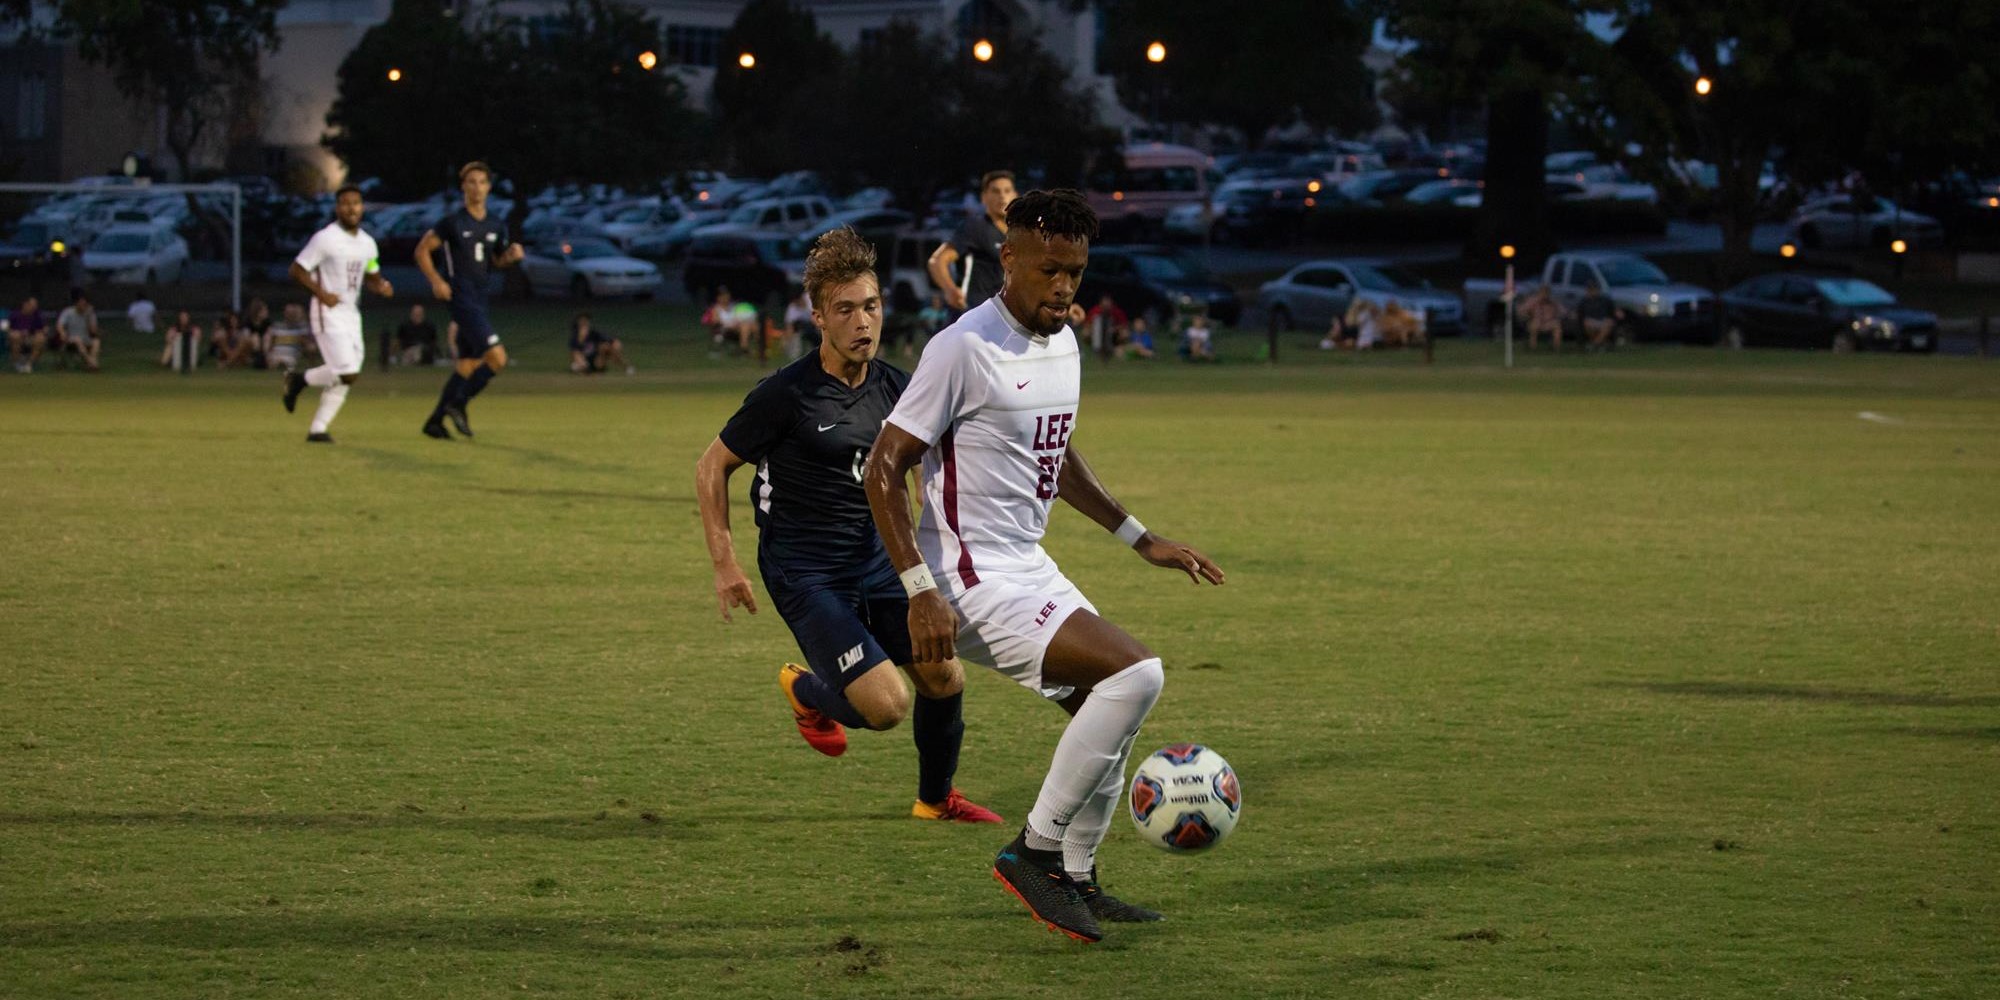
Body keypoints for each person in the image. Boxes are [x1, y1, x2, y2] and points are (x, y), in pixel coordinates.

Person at [863, 189, 1226, 943]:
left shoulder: (1063, 340)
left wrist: (1139, 536)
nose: (1063, 287)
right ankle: (1033, 851)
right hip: (964, 579)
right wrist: (918, 590)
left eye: (1077, 272)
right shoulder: (963, 346)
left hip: (1025, 564)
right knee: (1136, 674)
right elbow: (883, 467)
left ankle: (1078, 876)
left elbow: (1053, 456)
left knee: (1108, 716)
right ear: (1009, 259)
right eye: (1050, 269)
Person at [694, 226, 1003, 827]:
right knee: (887, 706)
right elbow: (712, 468)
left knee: (943, 671)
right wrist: (724, 563)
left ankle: (935, 802)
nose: (863, 322)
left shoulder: (897, 386)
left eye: (871, 306)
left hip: (878, 561)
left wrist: (929, 552)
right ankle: (808, 691)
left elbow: (919, 469)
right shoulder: (786, 395)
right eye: (845, 310)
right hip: (806, 572)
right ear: (818, 318)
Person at [415, 161, 523, 440]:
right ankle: (458, 404)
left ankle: (435, 422)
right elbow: (422, 251)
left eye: (482, 182)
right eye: (471, 182)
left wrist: (509, 258)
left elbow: (496, 260)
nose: (477, 188)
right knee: (497, 358)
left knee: (466, 365)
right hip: (461, 297)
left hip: (480, 298)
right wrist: (437, 281)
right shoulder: (452, 222)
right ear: (463, 186)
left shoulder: (496, 224)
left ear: (489, 187)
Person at [281, 184, 393, 444]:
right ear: (337, 207)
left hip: (352, 314)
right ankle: (299, 380)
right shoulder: (325, 238)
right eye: (345, 203)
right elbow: (297, 270)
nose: (351, 208)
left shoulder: (368, 243)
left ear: (362, 207)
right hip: (327, 312)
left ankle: (318, 428)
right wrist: (321, 294)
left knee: (346, 375)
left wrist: (382, 286)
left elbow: (372, 274)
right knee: (347, 371)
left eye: (356, 203)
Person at [927, 169, 1016, 312]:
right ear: (984, 197)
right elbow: (937, 261)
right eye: (995, 191)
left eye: (1007, 191)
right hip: (974, 313)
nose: (1002, 196)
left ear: (1015, 195)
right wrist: (950, 290)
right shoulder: (975, 227)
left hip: (1006, 317)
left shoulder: (1020, 234)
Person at [568, 312, 633, 374]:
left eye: (586, 321)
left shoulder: (594, 333)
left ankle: (627, 367)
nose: (585, 323)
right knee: (576, 354)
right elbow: (576, 353)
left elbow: (613, 341)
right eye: (582, 321)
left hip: (598, 361)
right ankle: (582, 367)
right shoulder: (574, 338)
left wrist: (615, 344)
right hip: (584, 361)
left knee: (605, 346)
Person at [55, 288, 101, 371]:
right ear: (76, 303)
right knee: (78, 340)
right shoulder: (68, 312)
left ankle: (92, 362)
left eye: (85, 303)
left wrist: (89, 317)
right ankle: (91, 362)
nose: (83, 305)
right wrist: (62, 333)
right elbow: (60, 325)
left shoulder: (89, 314)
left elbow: (93, 331)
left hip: (85, 338)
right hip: (71, 338)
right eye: (81, 303)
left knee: (96, 342)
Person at [264, 303, 311, 372]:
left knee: (287, 362)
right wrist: (268, 353)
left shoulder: (300, 329)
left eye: (292, 313)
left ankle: (281, 364)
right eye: (288, 313)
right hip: (276, 354)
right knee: (273, 358)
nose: (290, 315)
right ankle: (275, 363)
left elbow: (306, 343)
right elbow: (271, 342)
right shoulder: (277, 326)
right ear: (285, 313)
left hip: (290, 356)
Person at [1576, 281, 1622, 351]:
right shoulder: (1584, 301)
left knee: (1608, 324)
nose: (1592, 291)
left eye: (1594, 289)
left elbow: (1614, 309)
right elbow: (1579, 313)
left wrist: (1617, 313)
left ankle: (1593, 345)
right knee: (1587, 323)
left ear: (1598, 290)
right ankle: (1600, 345)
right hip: (1590, 321)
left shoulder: (1605, 300)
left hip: (1603, 320)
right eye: (1590, 289)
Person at [9, 295, 47, 373]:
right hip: (17, 338)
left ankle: (29, 365)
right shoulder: (15, 315)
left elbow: (42, 329)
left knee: (40, 338)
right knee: (15, 336)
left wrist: (34, 333)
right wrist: (19, 333)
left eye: (35, 306)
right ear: (25, 304)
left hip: (31, 338)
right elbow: (9, 329)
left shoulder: (37, 316)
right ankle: (17, 365)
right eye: (32, 305)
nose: (34, 308)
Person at [1520, 286, 1565, 351]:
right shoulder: (1533, 301)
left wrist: (1562, 315)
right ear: (1539, 293)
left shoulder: (1553, 302)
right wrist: (1527, 315)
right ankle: (1533, 347)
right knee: (1534, 326)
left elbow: (1563, 311)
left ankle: (1556, 348)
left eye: (1547, 293)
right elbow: (1522, 310)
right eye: (1543, 293)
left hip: (1549, 322)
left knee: (1557, 326)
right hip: (1536, 321)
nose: (1545, 295)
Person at [243, 297, 272, 368]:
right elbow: (245, 336)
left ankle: (263, 358)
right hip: (252, 346)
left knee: (267, 337)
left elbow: (270, 333)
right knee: (255, 337)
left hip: (264, 346)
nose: (267, 312)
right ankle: (257, 358)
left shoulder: (267, 322)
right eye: (264, 310)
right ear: (258, 313)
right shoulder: (248, 322)